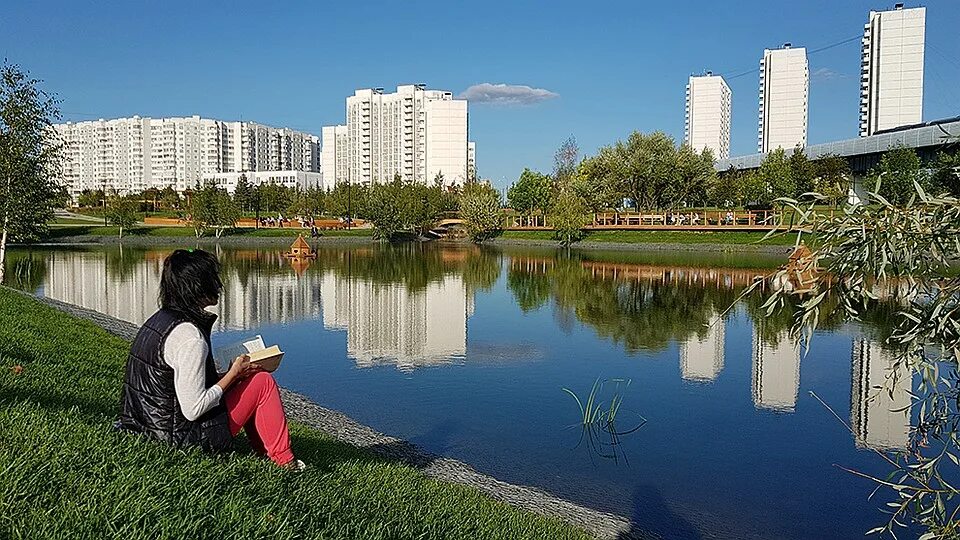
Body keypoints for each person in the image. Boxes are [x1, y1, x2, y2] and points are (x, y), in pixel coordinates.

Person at [118, 249, 305, 471]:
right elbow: (194, 409)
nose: (219, 285)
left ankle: (265, 451)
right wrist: (232, 375)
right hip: (180, 438)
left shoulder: (159, 320)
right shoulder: (191, 339)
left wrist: (231, 376)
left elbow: (178, 386)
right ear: (198, 287)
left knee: (248, 378)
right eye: (213, 279)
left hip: (146, 425)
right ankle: (285, 462)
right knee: (262, 382)